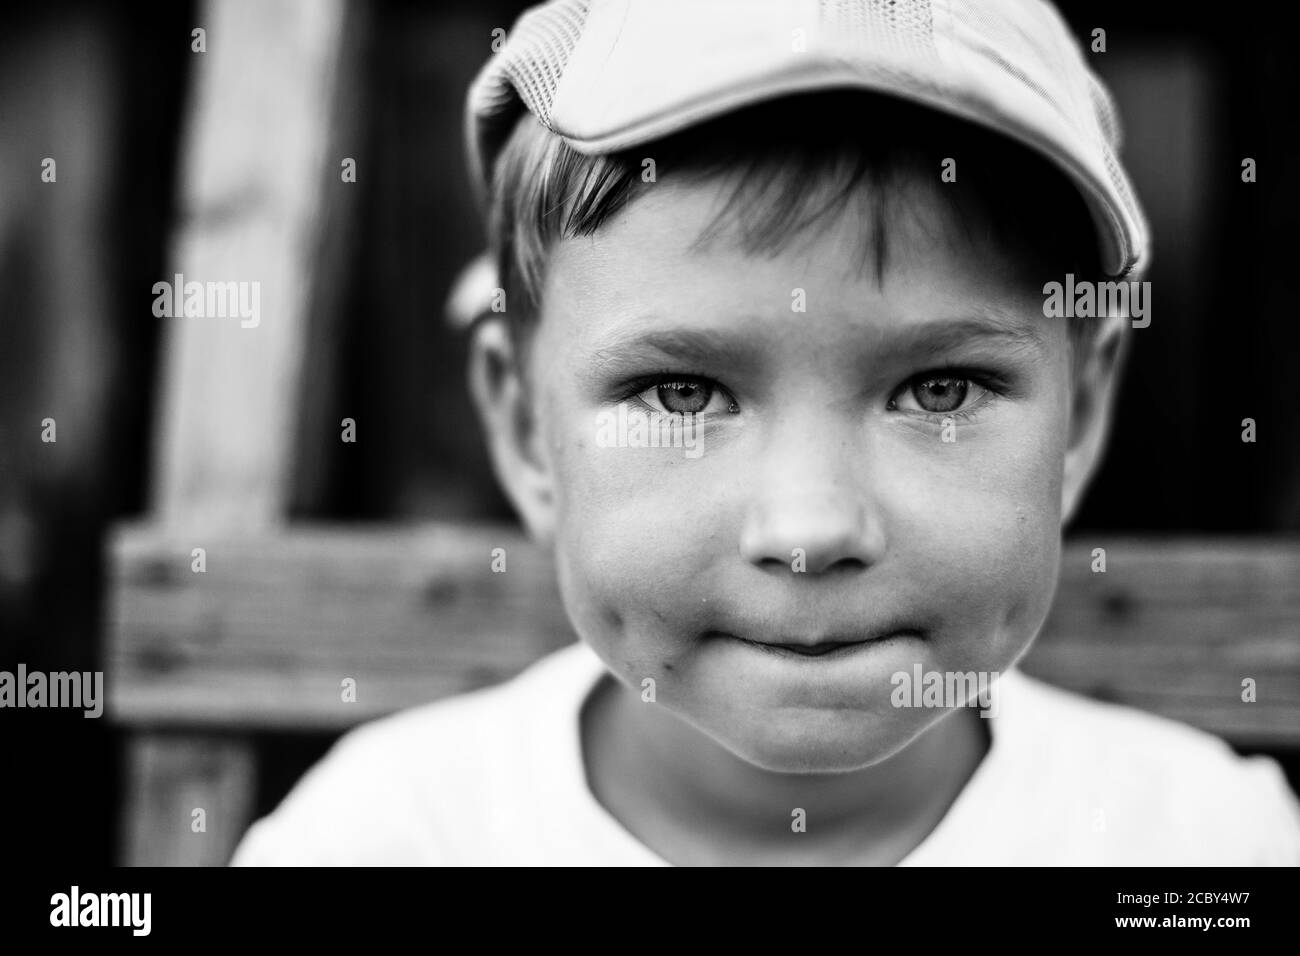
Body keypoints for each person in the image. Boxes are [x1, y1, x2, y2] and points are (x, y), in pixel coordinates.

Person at [232, 0, 1300, 865]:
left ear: (1083, 410)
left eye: (938, 388)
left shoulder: (1204, 844)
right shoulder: (379, 841)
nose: (809, 526)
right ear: (521, 421)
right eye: (683, 394)